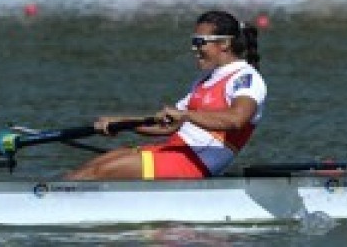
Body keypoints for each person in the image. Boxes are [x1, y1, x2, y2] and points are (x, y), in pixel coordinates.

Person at [66, 10, 266, 180]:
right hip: (175, 151)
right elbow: (167, 125)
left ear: (224, 44)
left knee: (97, 172)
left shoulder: (246, 78)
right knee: (88, 169)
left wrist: (186, 115)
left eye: (199, 42)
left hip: (196, 163)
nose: (194, 49)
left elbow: (237, 119)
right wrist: (121, 123)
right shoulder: (206, 80)